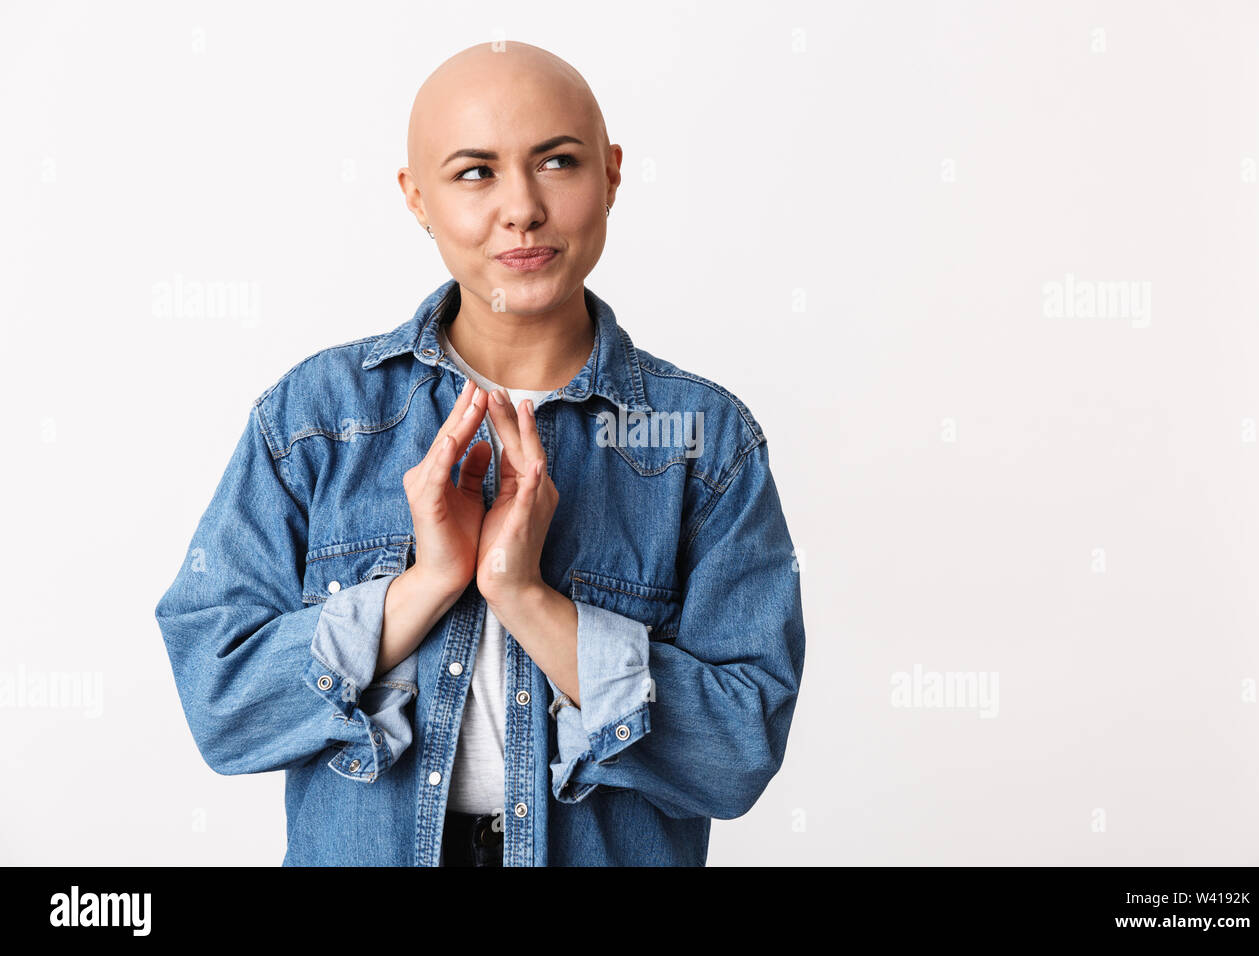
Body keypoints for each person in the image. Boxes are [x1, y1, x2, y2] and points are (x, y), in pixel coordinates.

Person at [155, 40, 805, 867]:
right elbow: (222, 704)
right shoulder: (317, 418)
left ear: (610, 174)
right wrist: (426, 585)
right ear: (416, 198)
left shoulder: (699, 440)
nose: (522, 208)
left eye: (557, 162)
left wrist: (524, 595)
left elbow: (737, 754)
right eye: (475, 172)